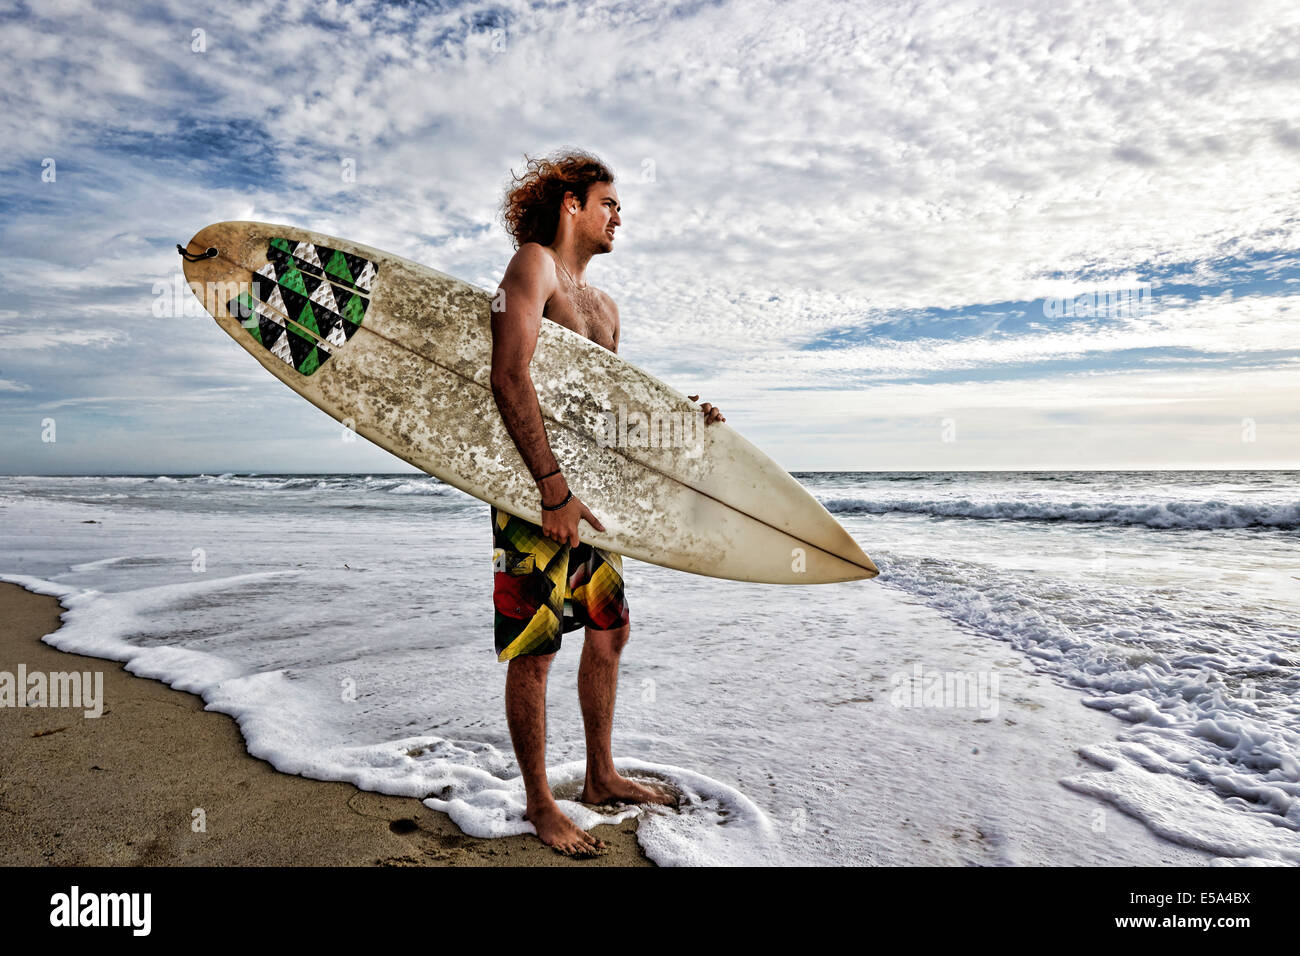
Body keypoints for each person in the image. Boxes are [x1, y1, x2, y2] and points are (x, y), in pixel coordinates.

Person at [489, 149, 725, 856]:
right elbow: (508, 375)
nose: (618, 216)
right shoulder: (532, 267)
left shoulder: (605, 308)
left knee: (608, 634)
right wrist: (551, 489)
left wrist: (680, 420)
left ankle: (599, 776)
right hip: (539, 493)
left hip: (594, 497)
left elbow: (609, 415)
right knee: (536, 649)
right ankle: (540, 803)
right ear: (572, 204)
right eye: (609, 204)